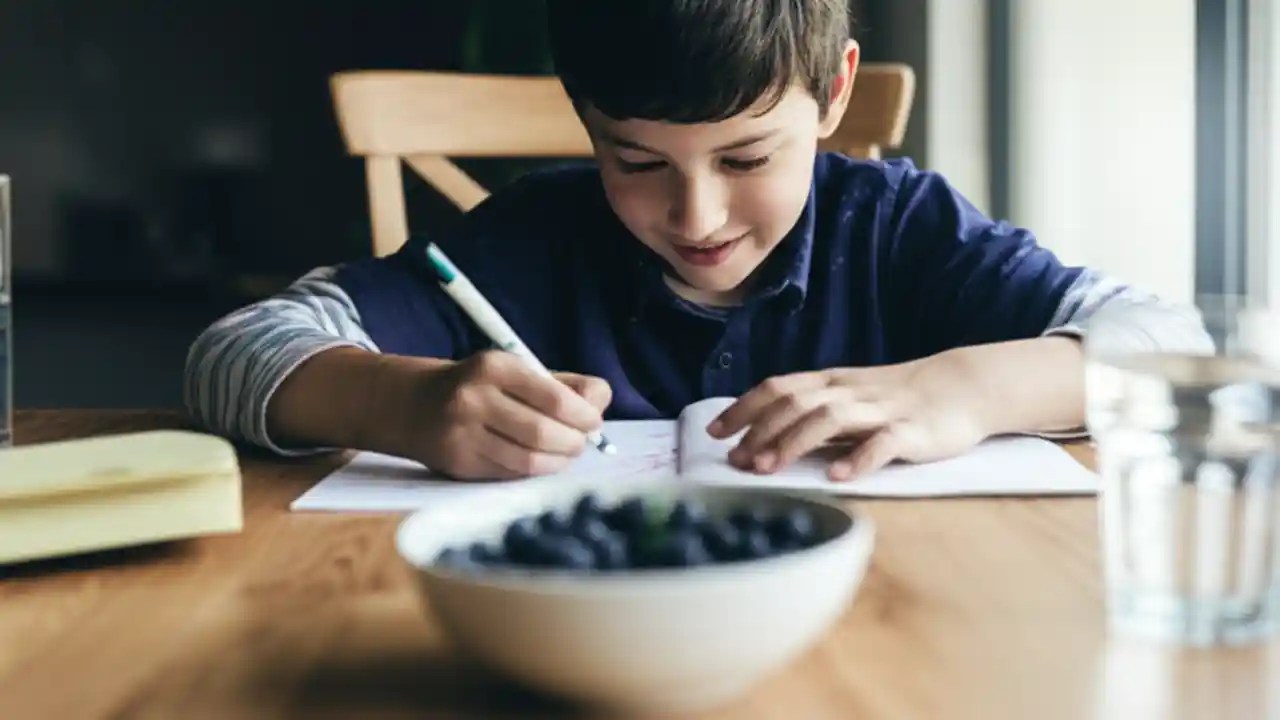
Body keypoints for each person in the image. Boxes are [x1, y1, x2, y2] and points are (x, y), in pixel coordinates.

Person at [184, 0, 1208, 482]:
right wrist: (400, 403)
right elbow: (229, 353)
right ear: (584, 118)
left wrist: (959, 391)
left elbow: (1175, 344)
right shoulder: (532, 240)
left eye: (748, 159)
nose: (697, 218)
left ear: (833, 93)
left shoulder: (899, 230)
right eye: (634, 162)